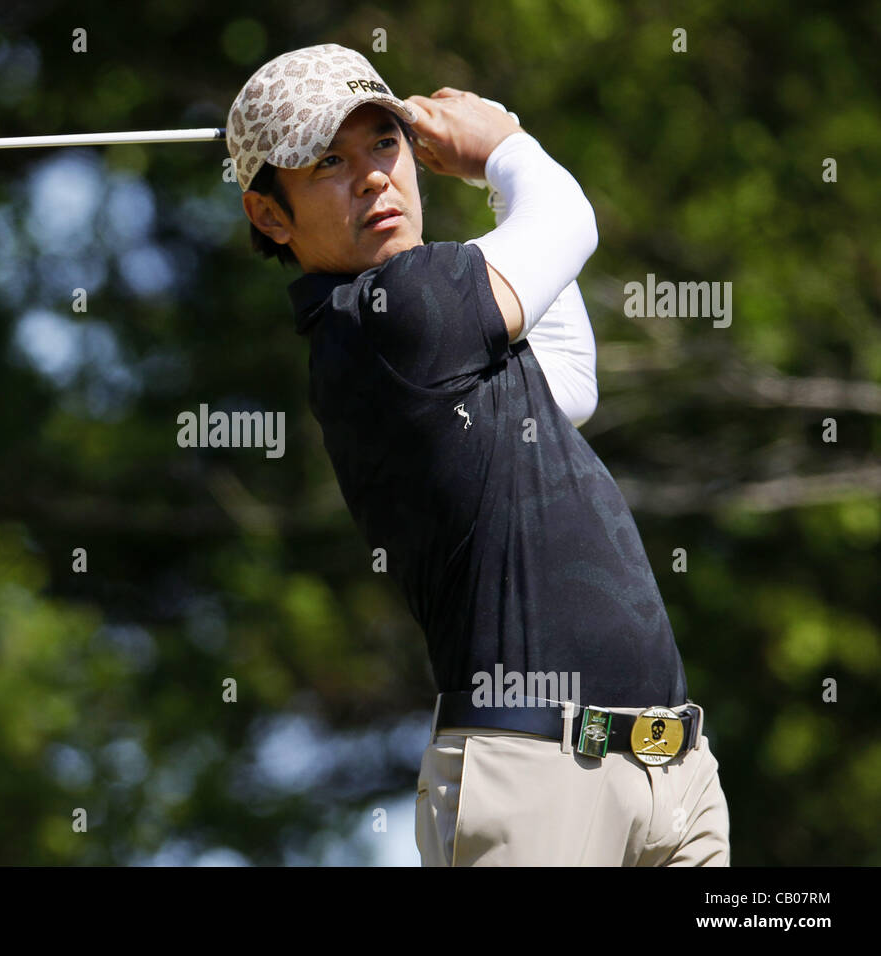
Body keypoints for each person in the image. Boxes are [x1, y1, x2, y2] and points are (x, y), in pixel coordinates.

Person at [226, 43, 730, 866]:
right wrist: (503, 150)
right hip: (536, 781)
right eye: (328, 163)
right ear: (271, 216)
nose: (373, 178)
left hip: (672, 772)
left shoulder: (421, 320)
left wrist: (499, 169)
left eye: (384, 145)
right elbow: (569, 222)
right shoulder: (391, 315)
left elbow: (570, 379)